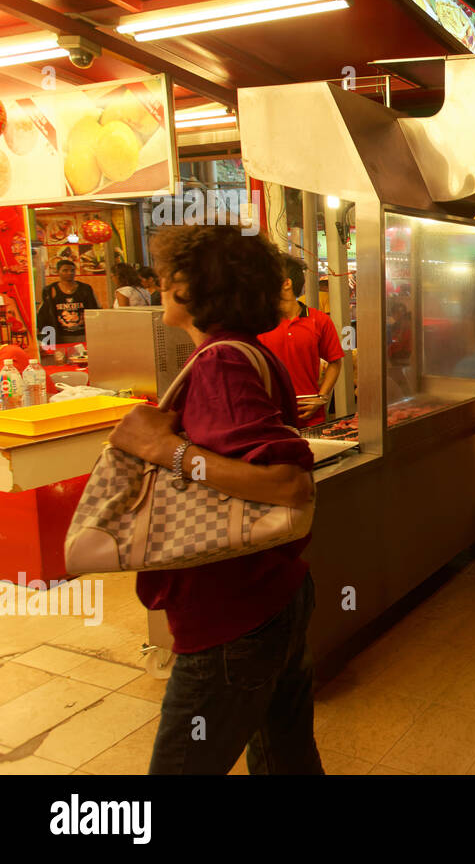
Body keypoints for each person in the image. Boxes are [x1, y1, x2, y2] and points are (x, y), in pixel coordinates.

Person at [108, 223, 321, 774]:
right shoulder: (249, 352)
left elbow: (286, 482)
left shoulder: (221, 362)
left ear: (193, 286)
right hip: (271, 593)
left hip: (231, 613)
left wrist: (166, 450)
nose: (158, 286)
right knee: (285, 760)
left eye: (167, 276)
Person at [257, 255, 344, 429]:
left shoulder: (319, 320)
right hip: (268, 416)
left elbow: (335, 361)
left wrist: (321, 398)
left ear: (286, 283)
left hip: (309, 415)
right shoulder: (258, 322)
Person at [37, 259, 98, 344]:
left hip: (83, 334)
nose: (70, 273)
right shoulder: (50, 290)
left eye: (72, 270)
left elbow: (95, 310)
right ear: (58, 272)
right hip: (60, 335)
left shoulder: (85, 289)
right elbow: (43, 314)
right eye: (65, 270)